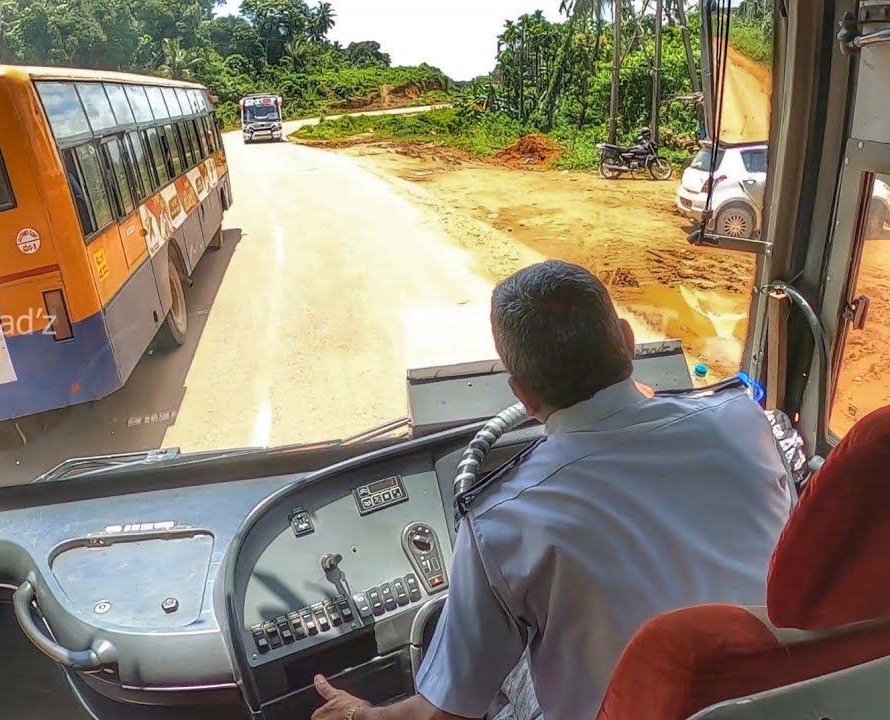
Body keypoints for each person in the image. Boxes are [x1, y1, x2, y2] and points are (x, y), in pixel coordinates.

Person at [311, 260, 794, 720]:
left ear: (521, 392)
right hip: (781, 697)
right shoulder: (744, 422)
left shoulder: (500, 521)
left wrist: (358, 712)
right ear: (627, 342)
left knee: (501, 668)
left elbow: (444, 711)